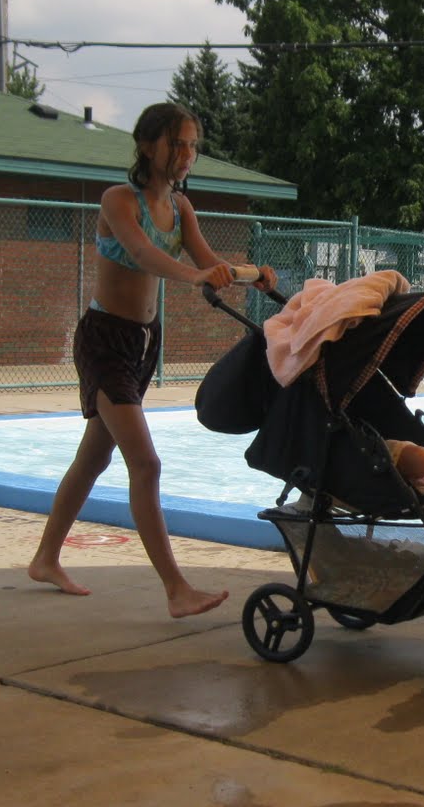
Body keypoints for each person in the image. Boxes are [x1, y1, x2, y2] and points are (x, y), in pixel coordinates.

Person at [28, 102, 276, 614]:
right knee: (146, 463)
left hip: (143, 342)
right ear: (146, 146)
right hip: (104, 341)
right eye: (176, 144)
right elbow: (142, 253)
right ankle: (175, 589)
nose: (186, 155)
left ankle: (46, 557)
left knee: (94, 457)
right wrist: (194, 278)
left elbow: (211, 263)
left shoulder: (181, 208)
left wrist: (253, 273)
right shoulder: (119, 200)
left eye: (192, 146)